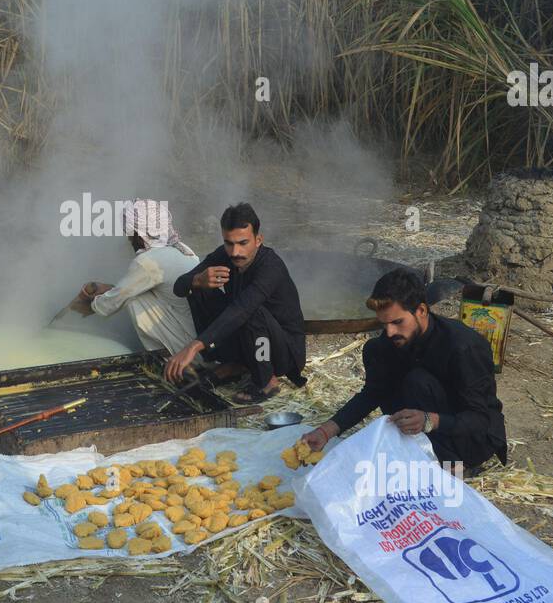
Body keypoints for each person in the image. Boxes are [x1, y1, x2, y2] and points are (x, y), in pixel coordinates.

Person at [301, 267, 507, 474]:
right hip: (428, 418)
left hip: (472, 438)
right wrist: (326, 431)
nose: (390, 332)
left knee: (417, 381)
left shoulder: (463, 347)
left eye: (398, 322)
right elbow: (374, 393)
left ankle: (454, 464)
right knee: (375, 350)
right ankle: (417, 449)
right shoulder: (392, 340)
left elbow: (480, 419)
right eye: (384, 324)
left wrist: (431, 420)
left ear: (422, 311)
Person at [164, 203, 306, 402]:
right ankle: (235, 363)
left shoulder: (271, 267)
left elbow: (242, 309)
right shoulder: (224, 255)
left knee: (251, 312)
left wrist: (193, 347)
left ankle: (266, 379)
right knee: (200, 288)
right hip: (248, 340)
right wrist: (197, 280)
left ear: (258, 240)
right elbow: (179, 287)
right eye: (229, 243)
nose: (235, 252)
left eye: (243, 243)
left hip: (282, 352)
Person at [73, 199, 200, 354]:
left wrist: (87, 305)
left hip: (188, 351)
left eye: (130, 233)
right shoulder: (182, 249)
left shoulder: (149, 261)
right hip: (200, 339)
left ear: (139, 235)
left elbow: (111, 303)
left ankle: (164, 356)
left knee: (133, 297)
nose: (128, 239)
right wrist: (112, 289)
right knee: (131, 291)